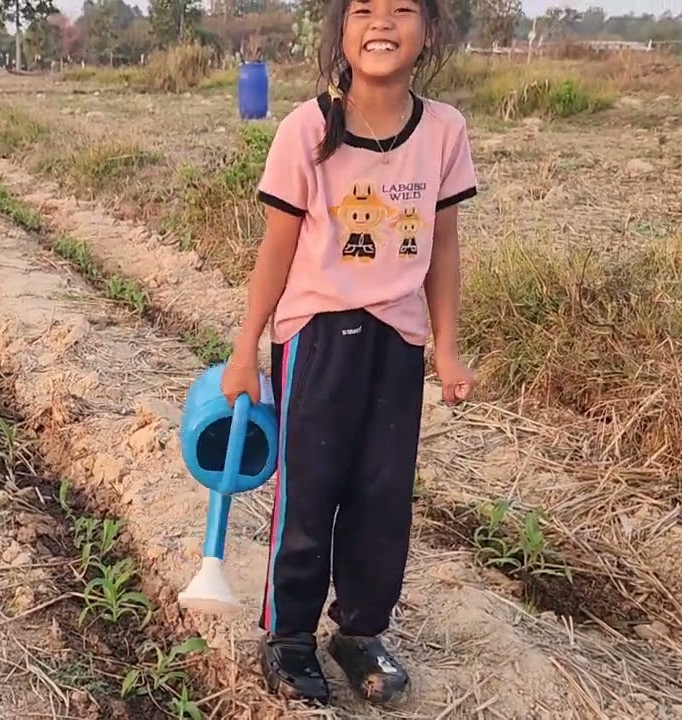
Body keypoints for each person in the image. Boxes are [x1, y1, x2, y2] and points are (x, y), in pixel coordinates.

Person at [218, 0, 478, 707]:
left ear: (429, 31)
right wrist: (247, 348)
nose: (381, 22)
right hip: (318, 335)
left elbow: (443, 246)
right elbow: (275, 251)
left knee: (382, 495)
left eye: (402, 9)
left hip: (398, 338)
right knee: (311, 490)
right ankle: (290, 635)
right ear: (341, 30)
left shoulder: (445, 131)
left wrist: (447, 349)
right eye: (363, 8)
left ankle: (360, 632)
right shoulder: (308, 128)